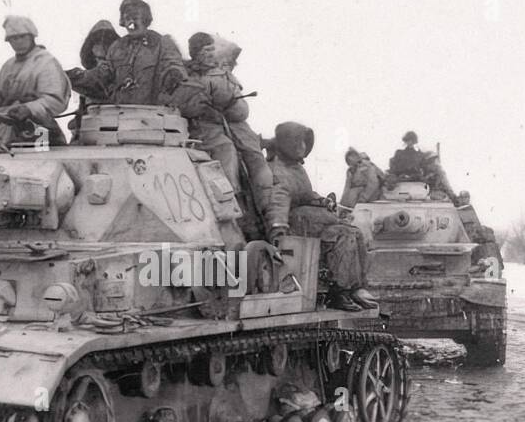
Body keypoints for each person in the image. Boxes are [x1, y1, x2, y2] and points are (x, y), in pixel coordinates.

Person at [265, 121, 378, 311]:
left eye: (304, 143)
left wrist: (322, 201)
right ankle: (339, 292)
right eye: (299, 142)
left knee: (355, 232)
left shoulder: (296, 168)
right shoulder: (277, 170)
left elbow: (307, 194)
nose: (303, 147)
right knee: (344, 235)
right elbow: (278, 200)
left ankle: (356, 287)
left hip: (312, 222)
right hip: (298, 227)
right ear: (287, 143)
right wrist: (278, 229)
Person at [185, 33, 284, 241]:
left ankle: (269, 213)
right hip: (208, 126)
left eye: (212, 49)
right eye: (205, 51)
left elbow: (237, 106)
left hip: (234, 124)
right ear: (196, 54)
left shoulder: (221, 73)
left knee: (256, 160)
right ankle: (232, 207)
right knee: (226, 153)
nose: (211, 54)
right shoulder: (194, 76)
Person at [0, 15, 70, 152]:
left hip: (38, 130)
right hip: (2, 124)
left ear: (31, 36)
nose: (18, 42)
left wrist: (29, 109)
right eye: (13, 39)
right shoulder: (8, 66)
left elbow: (55, 100)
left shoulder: (46, 62)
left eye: (22, 37)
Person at [66, 0, 185, 105]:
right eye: (127, 19)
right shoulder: (117, 47)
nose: (130, 24)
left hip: (153, 116)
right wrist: (76, 77)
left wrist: (173, 74)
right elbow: (103, 74)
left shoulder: (161, 43)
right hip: (121, 115)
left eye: (135, 18)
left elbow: (173, 64)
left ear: (145, 20)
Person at [68, 20, 121, 137]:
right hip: (90, 127)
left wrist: (60, 75)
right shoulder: (89, 75)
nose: (102, 44)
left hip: (112, 128)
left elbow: (94, 79)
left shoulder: (115, 71)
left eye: (108, 41)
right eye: (96, 41)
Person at [387, 130, 457, 203]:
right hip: (403, 181)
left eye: (411, 140)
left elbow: (424, 169)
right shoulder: (400, 153)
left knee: (439, 175)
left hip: (416, 181)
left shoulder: (419, 155)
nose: (410, 143)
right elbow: (393, 168)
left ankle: (453, 197)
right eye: (408, 140)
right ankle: (453, 197)